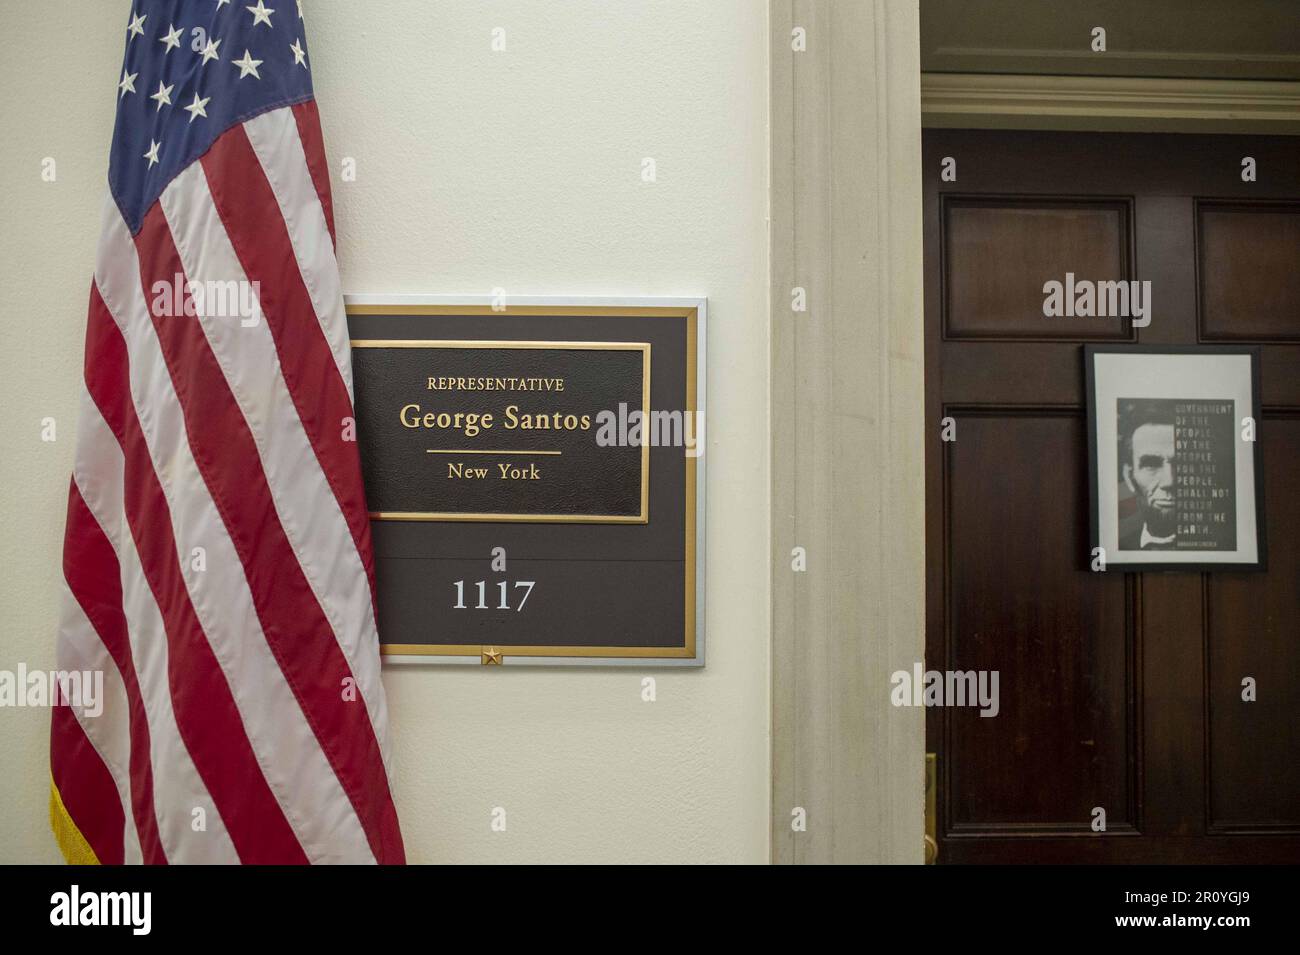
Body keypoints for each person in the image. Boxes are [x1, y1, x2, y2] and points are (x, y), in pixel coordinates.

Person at [1118, 401, 1177, 550]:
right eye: (1151, 464)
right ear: (1129, 477)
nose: (1169, 481)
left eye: (1181, 464)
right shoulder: (1121, 547)